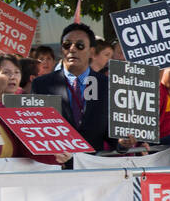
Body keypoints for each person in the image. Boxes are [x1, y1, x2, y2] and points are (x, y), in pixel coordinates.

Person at [29, 23, 110, 151]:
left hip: (94, 164)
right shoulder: (41, 84)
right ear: (62, 50)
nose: (72, 49)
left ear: (92, 52)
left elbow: (111, 133)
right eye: (67, 45)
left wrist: (123, 143)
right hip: (57, 164)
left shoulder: (106, 85)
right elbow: (35, 129)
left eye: (80, 45)